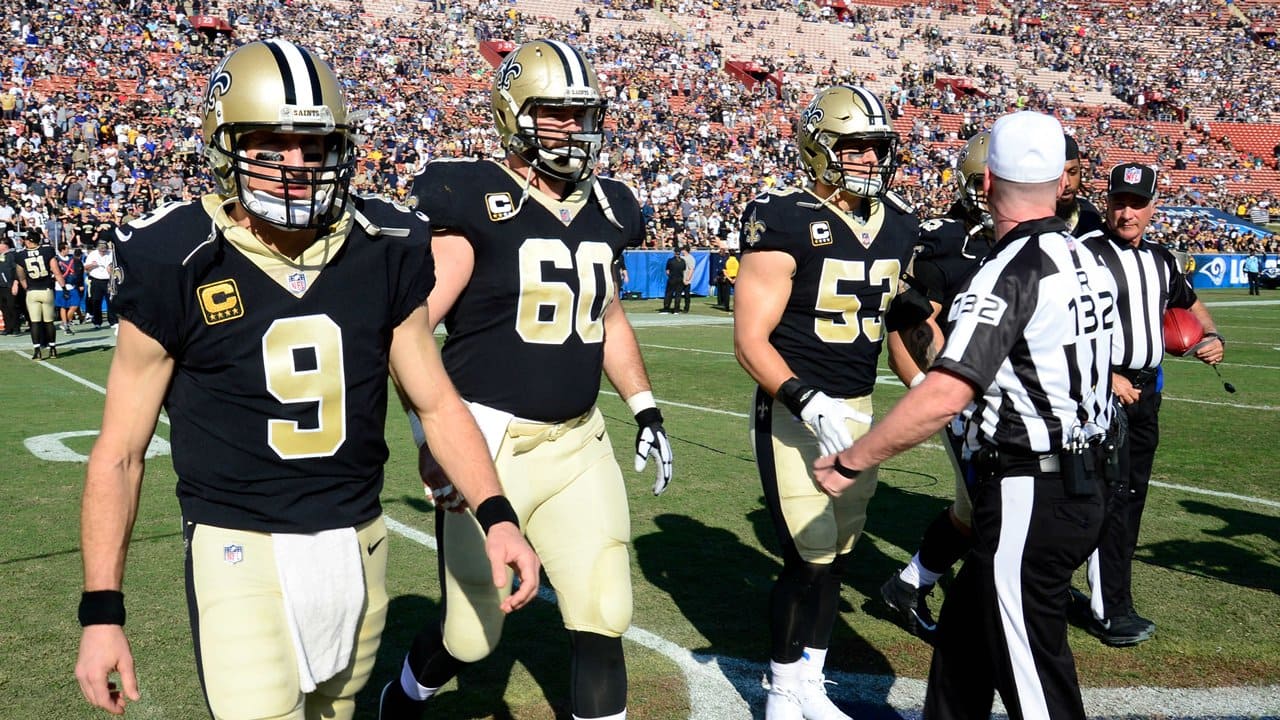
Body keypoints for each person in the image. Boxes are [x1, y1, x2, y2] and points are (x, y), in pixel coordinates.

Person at [73, 40, 539, 720]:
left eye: (313, 146)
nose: (296, 165)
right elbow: (119, 453)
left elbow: (437, 403)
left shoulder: (382, 244)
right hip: (240, 543)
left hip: (359, 541)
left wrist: (496, 516)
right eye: (271, 145)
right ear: (226, 147)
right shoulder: (177, 258)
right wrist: (101, 612)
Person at [378, 39, 673, 720]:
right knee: (471, 638)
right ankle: (407, 694)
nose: (572, 127)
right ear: (513, 114)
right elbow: (408, 333)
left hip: (579, 441)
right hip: (487, 442)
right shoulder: (473, 198)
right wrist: (426, 435)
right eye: (553, 112)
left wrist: (645, 407)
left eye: (582, 112)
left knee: (604, 611)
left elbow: (607, 314)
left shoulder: (609, 205)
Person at [815, 111, 1118, 720]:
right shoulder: (1087, 257)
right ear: (1061, 182)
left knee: (1033, 678)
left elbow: (947, 392)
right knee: (963, 653)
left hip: (1032, 487)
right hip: (1084, 475)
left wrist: (852, 460)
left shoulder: (1010, 270)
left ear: (987, 183)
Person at [733, 85, 930, 719]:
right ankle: (781, 687)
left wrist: (931, 382)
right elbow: (749, 339)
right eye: (854, 147)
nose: (870, 159)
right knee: (807, 556)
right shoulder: (784, 216)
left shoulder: (899, 221)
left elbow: (901, 320)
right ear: (819, 150)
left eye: (877, 147)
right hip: (794, 409)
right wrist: (805, 398)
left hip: (859, 407)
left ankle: (811, 681)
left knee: (840, 553)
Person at [1075, 163, 1225, 646]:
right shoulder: (1085, 254)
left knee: (1132, 498)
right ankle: (1108, 609)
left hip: (1147, 393)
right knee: (1108, 498)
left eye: (1137, 204)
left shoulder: (1161, 260)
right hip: (1103, 393)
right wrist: (1106, 375)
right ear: (1106, 203)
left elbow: (1190, 302)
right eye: (1119, 202)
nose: (1127, 213)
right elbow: (1063, 326)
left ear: (1153, 207)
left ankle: (1110, 599)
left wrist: (1212, 335)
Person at [879, 131, 997, 643]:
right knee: (995, 509)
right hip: (967, 399)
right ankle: (992, 614)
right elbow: (907, 326)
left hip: (1016, 394)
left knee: (974, 511)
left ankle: (908, 585)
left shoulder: (1029, 238)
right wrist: (934, 393)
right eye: (986, 183)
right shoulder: (945, 239)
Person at [15, 227, 64, 360]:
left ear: (29, 241)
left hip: (32, 291)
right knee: (49, 321)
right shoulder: (47, 251)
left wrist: (27, 288)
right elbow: (56, 271)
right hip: (46, 290)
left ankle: (37, 351)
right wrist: (64, 287)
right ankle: (53, 349)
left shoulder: (20, 255)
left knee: (35, 322)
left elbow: (21, 276)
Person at [1057, 134, 1104, 237]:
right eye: (1058, 174)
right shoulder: (1026, 217)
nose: (1066, 183)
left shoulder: (1089, 215)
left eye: (1073, 172)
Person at [83, 237, 115, 329]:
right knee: (96, 301)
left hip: (108, 280)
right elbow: (85, 267)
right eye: (101, 250)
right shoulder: (92, 254)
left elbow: (116, 267)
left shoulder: (111, 254)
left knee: (111, 301)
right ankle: (97, 322)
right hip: (96, 280)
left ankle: (113, 321)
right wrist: (92, 265)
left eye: (104, 250)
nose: (103, 252)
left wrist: (111, 268)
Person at [55, 241, 84, 333]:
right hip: (60, 285)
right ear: (62, 249)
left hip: (71, 284)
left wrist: (79, 282)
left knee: (75, 303)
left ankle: (66, 321)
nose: (69, 250)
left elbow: (79, 270)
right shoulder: (56, 259)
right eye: (67, 248)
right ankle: (65, 323)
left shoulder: (72, 258)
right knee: (63, 305)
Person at [0, 235, 19, 335]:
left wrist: (15, 283)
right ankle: (8, 327)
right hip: (1, 286)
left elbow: (17, 270)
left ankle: (16, 328)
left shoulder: (12, 255)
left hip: (10, 285)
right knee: (4, 307)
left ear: (5, 245)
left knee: (12, 306)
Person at [713, 246, 739, 310]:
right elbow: (740, 270)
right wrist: (735, 279)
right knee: (737, 293)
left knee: (726, 293)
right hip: (735, 278)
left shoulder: (726, 260)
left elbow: (724, 271)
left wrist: (729, 279)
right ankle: (737, 307)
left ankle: (726, 307)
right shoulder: (737, 261)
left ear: (729, 254)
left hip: (728, 277)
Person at [663, 246, 684, 313]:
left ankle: (666, 309)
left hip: (672, 279)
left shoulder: (670, 260)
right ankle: (676, 310)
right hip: (680, 280)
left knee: (669, 294)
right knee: (678, 295)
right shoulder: (682, 261)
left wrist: (670, 276)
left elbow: (667, 271)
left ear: (674, 252)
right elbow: (684, 270)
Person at [680, 245, 695, 312]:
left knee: (686, 294)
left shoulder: (690, 258)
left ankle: (686, 308)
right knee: (678, 294)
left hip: (686, 279)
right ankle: (677, 307)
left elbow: (691, 269)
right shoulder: (681, 257)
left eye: (682, 250)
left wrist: (688, 278)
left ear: (685, 250)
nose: (681, 251)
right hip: (680, 278)